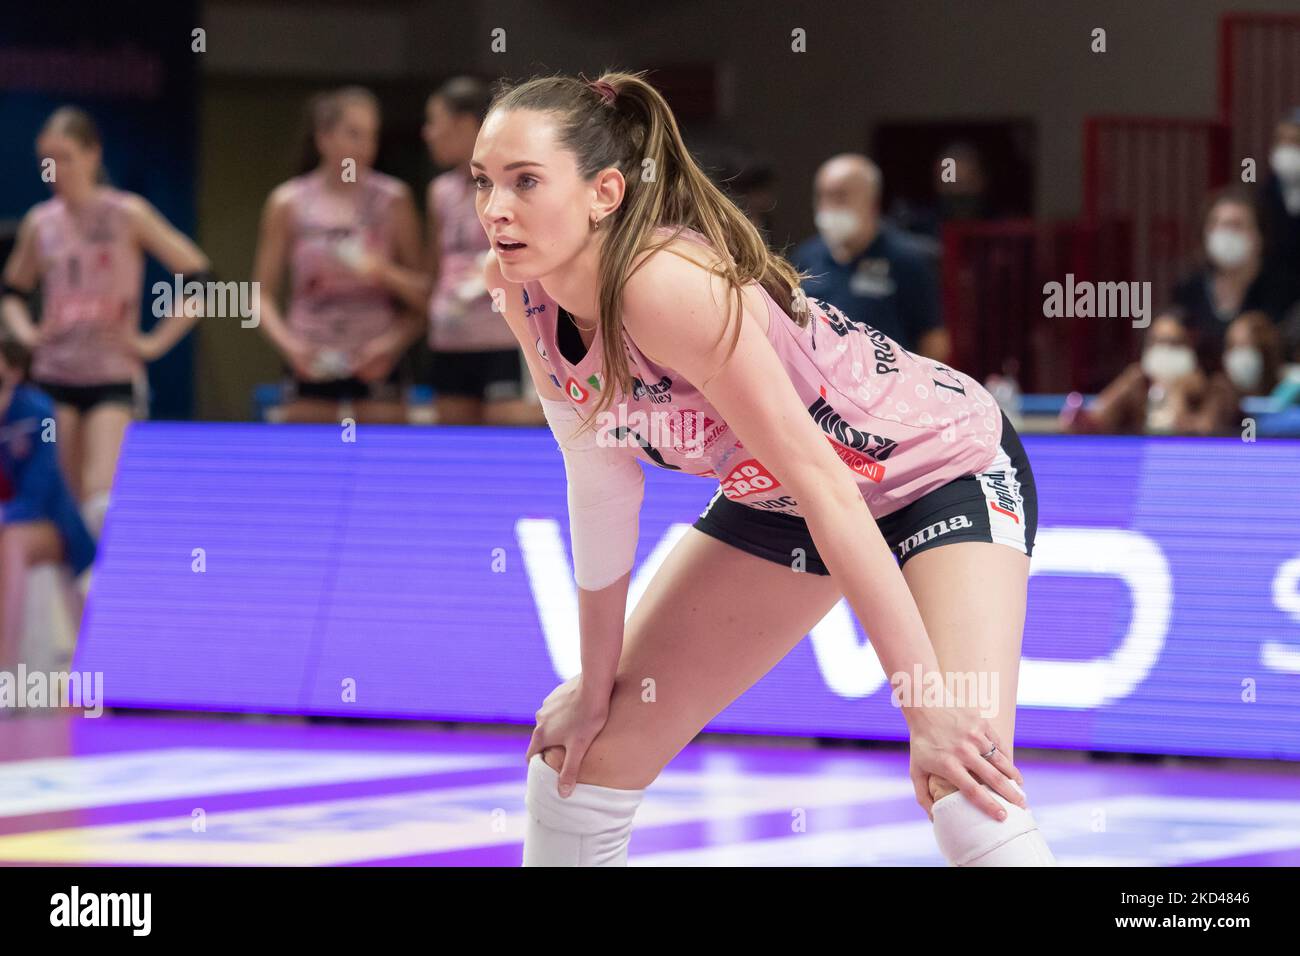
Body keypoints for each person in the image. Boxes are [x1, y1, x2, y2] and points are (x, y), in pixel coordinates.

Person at [474, 70, 1053, 867]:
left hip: (935, 471)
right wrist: (594, 683)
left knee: (966, 787)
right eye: (484, 182)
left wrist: (928, 711)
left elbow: (828, 484)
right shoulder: (521, 293)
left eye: (525, 181)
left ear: (604, 192)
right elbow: (601, 479)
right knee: (581, 761)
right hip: (783, 497)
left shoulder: (664, 287)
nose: (495, 208)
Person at [1, 107, 212, 537]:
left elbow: (202, 279)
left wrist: (154, 342)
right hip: (54, 374)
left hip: (112, 373)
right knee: (61, 500)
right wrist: (28, 335)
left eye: (64, 157)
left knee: (100, 498)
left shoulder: (127, 214)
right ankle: (69, 598)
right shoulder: (42, 224)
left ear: (93, 154)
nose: (54, 170)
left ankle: (110, 592)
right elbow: (12, 294)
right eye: (46, 159)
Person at [252, 86, 429, 424]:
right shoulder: (288, 202)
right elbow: (259, 295)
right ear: (323, 138)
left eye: (371, 136)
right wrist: (291, 347)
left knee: (383, 468)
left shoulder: (393, 199)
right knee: (311, 467)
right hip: (311, 355)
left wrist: (391, 344)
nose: (364, 148)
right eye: (353, 135)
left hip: (377, 359)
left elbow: (423, 296)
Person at [422, 76, 540, 425]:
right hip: (450, 340)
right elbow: (433, 270)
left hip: (503, 337)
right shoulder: (439, 192)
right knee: (454, 449)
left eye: (434, 122)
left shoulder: (518, 182)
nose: (428, 133)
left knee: (509, 442)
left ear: (465, 123)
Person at [791, 154, 950, 361]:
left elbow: (934, 343)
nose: (828, 206)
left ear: (872, 202)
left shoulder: (907, 260)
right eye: (822, 196)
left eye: (841, 196)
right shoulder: (805, 257)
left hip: (888, 385)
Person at [0, 337, 94, 672]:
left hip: (55, 525)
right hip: (10, 522)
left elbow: (40, 491)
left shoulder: (41, 413)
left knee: (10, 545)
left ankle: (5, 673)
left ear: (13, 371)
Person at [1171, 187, 1294, 372]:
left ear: (1260, 236)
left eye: (1236, 225)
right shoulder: (1188, 292)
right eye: (1217, 225)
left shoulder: (1286, 294)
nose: (1226, 234)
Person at [1059, 311, 1208, 435]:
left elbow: (1204, 432)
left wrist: (1177, 392)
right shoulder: (1138, 382)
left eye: (1172, 343)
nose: (1164, 350)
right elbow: (1099, 420)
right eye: (1157, 342)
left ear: (1188, 347)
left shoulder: (1203, 387)